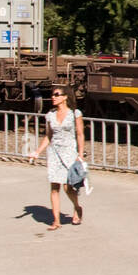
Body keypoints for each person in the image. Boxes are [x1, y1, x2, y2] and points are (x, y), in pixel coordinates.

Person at [31, 87, 86, 230]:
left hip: (69, 152)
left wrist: (80, 154)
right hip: (54, 152)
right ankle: (56, 221)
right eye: (52, 95)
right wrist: (37, 151)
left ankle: (77, 207)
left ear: (65, 97)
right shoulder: (50, 115)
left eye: (56, 95)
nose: (53, 97)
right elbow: (49, 136)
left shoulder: (75, 114)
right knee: (54, 187)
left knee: (68, 186)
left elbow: (80, 134)